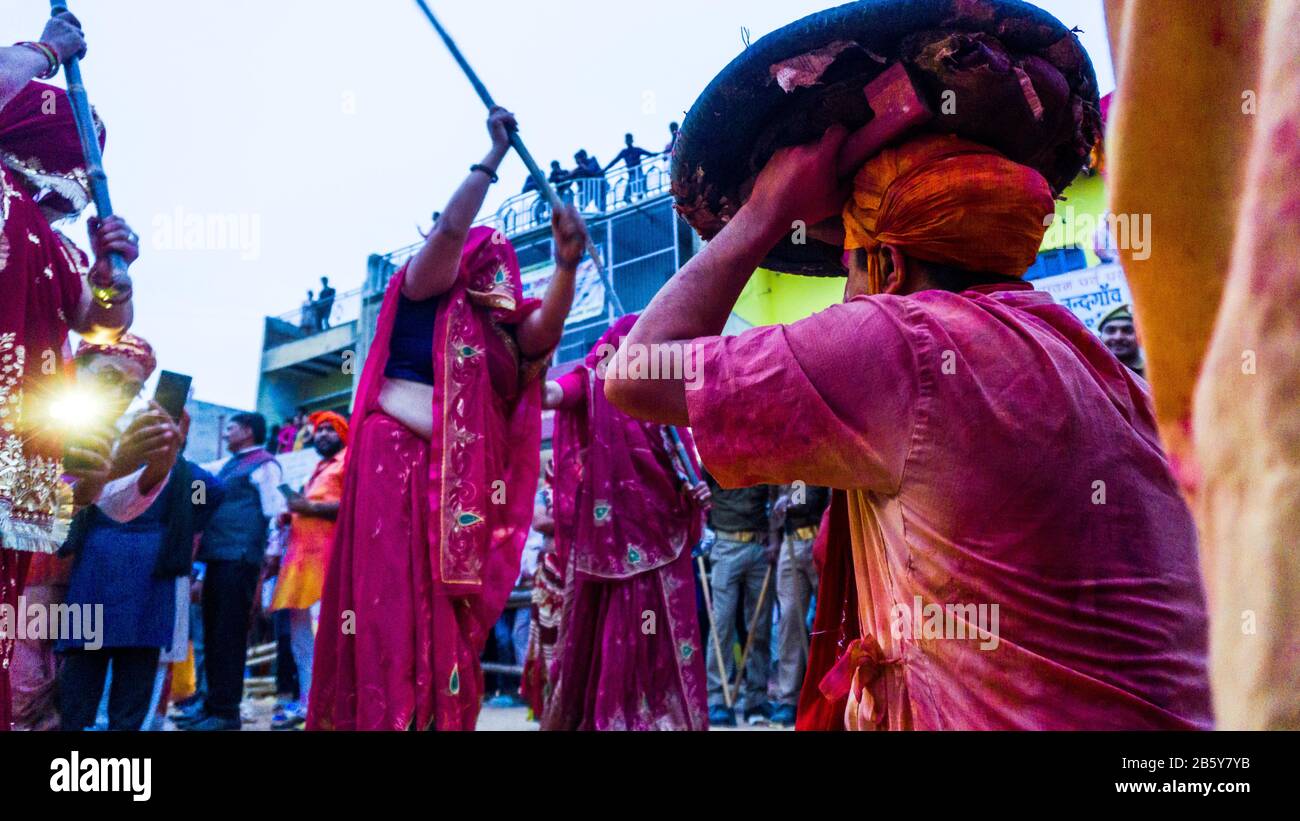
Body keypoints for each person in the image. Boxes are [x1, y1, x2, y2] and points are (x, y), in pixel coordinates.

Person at [606, 127, 1214, 729]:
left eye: (848, 270)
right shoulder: (1104, 369)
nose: (844, 296)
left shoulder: (903, 342)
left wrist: (770, 208)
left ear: (887, 267)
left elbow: (636, 371)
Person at [308, 106, 585, 731]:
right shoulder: (428, 283)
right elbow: (451, 235)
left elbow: (540, 334)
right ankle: (385, 718)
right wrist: (491, 160)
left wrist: (567, 266)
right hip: (393, 458)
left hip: (458, 486)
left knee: (445, 611)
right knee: (387, 602)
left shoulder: (496, 333)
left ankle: (432, 718)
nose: (496, 272)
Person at [1, 19, 142, 729]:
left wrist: (113, 270)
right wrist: (48, 49)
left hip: (17, 467)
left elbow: (100, 319)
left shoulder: (45, 239)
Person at [538, 315, 712, 730]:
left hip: (662, 530)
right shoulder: (592, 379)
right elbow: (551, 394)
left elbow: (681, 452)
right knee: (609, 639)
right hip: (607, 537)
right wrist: (534, 358)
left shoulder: (658, 387)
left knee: (663, 644)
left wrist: (696, 490)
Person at [57, 335, 224, 731]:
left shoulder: (143, 447)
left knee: (90, 687)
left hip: (114, 571)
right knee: (90, 690)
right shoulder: (63, 427)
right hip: (115, 571)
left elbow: (104, 499)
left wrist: (167, 458)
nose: (120, 396)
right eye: (109, 379)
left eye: (132, 389)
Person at [179, 413, 284, 731]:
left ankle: (226, 713)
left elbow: (276, 512)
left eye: (232, 428)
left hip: (240, 558)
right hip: (219, 557)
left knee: (228, 636)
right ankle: (211, 704)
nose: (226, 433)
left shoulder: (265, 464)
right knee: (212, 634)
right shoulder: (228, 465)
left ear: (249, 432)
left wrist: (269, 557)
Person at [266, 411, 347, 729]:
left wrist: (310, 508)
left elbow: (358, 503)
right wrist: (292, 515)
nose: (322, 434)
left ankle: (330, 708)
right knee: (301, 641)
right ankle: (308, 704)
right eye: (319, 430)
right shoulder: (318, 468)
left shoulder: (349, 460)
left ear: (343, 433)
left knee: (324, 637)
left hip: (327, 564)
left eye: (330, 429)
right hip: (300, 564)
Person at [698, 473, 776, 727]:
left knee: (759, 627)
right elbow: (699, 495)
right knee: (721, 625)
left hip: (759, 548)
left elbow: (777, 499)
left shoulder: (764, 458)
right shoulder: (712, 455)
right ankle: (717, 700)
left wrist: (774, 540)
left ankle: (757, 699)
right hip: (725, 545)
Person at [769, 482, 829, 726]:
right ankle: (788, 699)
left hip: (820, 538)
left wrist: (793, 503)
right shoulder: (778, 460)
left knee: (828, 616)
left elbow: (810, 498)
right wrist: (774, 539)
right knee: (790, 618)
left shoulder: (820, 451)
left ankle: (828, 694)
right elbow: (772, 501)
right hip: (791, 542)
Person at [1097, 304, 1144, 378]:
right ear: (1099, 338)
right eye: (1111, 330)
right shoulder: (1093, 375)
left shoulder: (1154, 373)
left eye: (1127, 330)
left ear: (1140, 337)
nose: (1118, 337)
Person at [604, 134, 653, 203]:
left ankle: (639, 203)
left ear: (632, 140)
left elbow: (650, 154)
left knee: (640, 191)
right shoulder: (624, 152)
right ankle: (635, 206)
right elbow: (614, 161)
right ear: (626, 141)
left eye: (629, 139)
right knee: (626, 197)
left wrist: (658, 154)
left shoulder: (637, 150)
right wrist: (604, 170)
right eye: (627, 139)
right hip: (631, 174)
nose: (628, 141)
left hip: (638, 173)